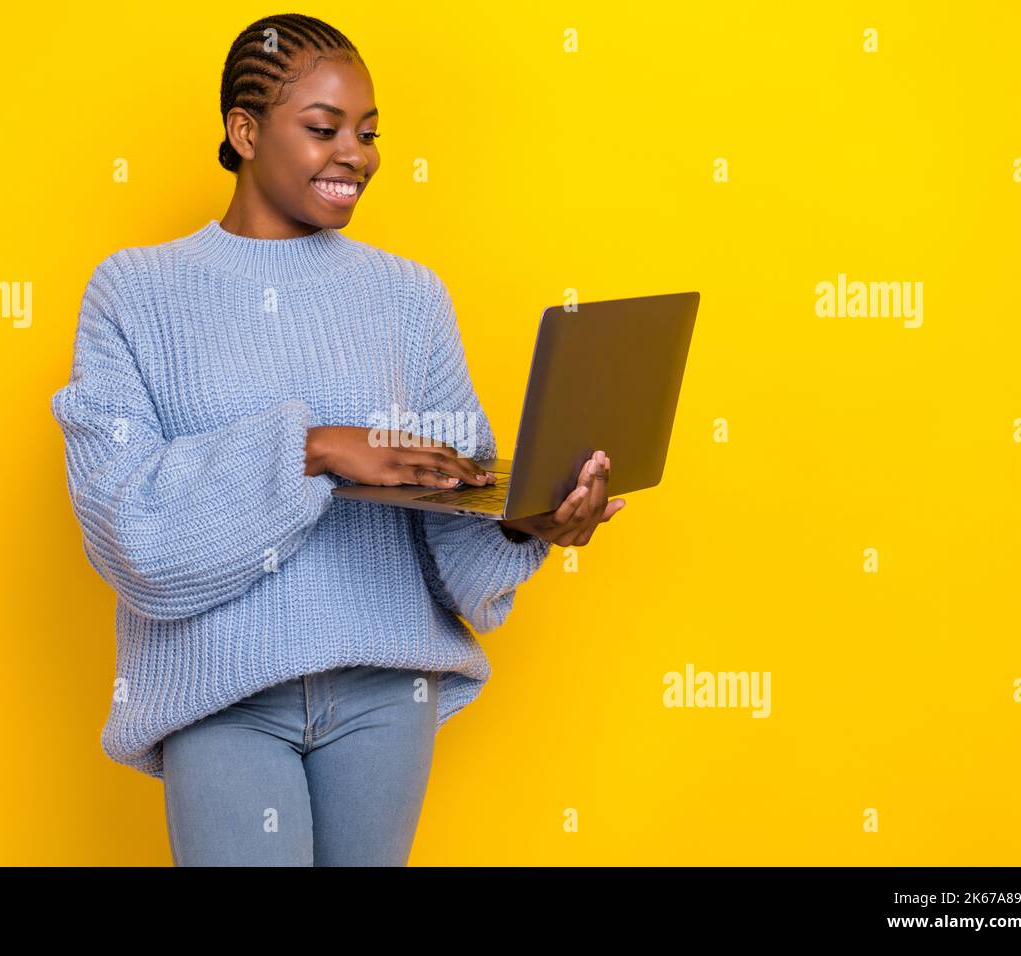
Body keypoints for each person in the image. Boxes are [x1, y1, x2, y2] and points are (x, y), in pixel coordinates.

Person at [50, 13, 625, 866]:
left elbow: (450, 516)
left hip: (388, 694)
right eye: (323, 129)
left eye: (368, 133)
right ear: (244, 133)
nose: (355, 154)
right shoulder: (135, 293)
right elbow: (128, 530)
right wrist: (313, 447)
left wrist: (524, 522)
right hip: (220, 692)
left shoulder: (408, 297)